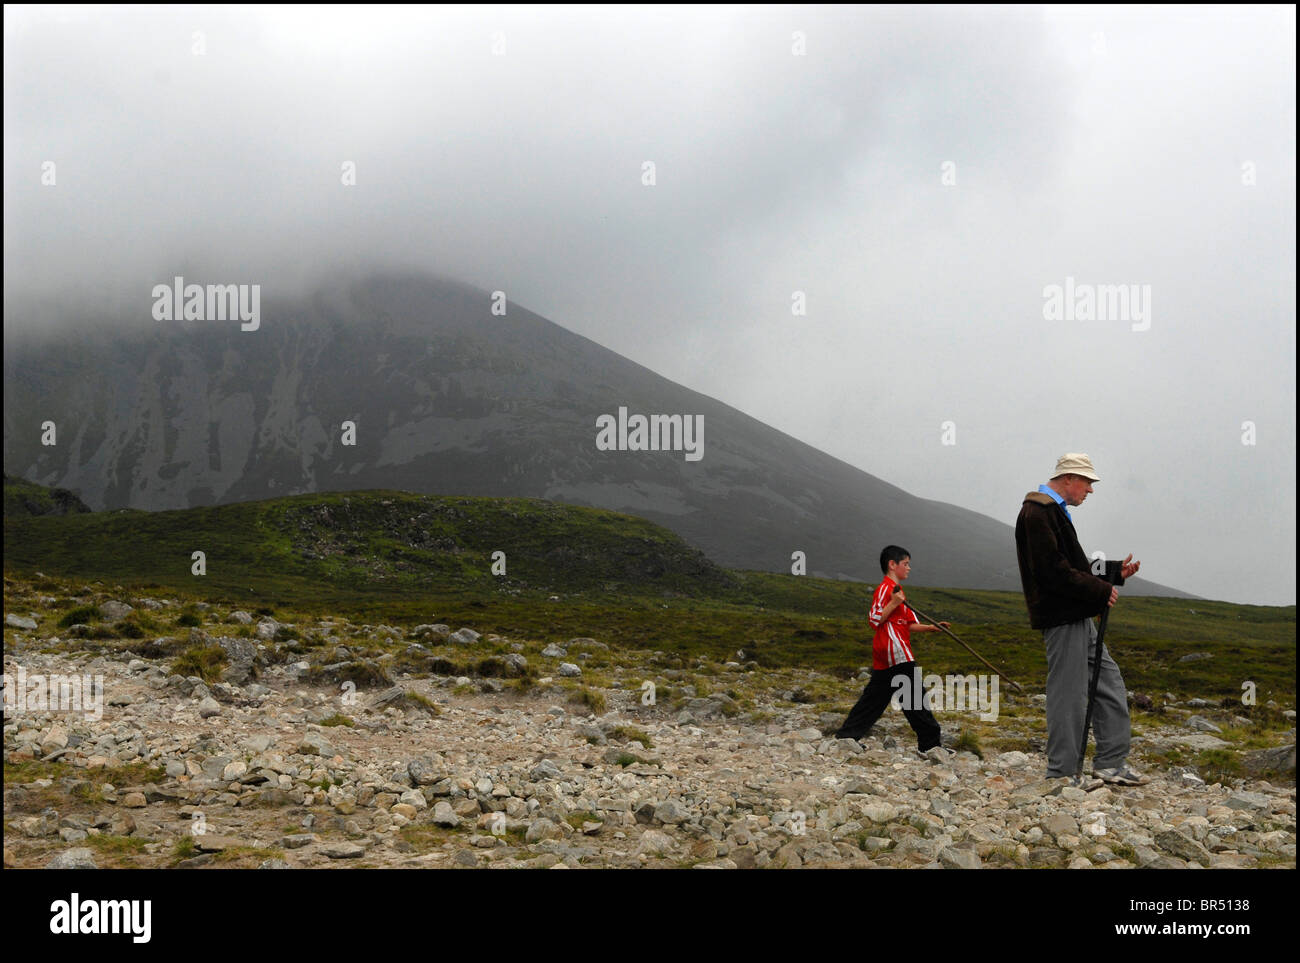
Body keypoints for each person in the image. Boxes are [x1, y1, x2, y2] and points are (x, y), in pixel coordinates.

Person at [1015, 453, 1146, 785]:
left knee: (1109, 682)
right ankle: (1061, 773)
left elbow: (1074, 566)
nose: (1090, 490)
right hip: (1062, 617)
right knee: (1069, 694)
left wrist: (1114, 571)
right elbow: (1052, 571)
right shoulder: (1037, 512)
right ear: (1069, 479)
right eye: (1087, 482)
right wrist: (1099, 591)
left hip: (1077, 615)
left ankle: (1110, 763)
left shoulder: (1053, 512)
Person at [834, 545, 953, 757]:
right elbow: (874, 619)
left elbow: (907, 623)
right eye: (905, 564)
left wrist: (932, 627)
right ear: (892, 564)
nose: (909, 568)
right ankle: (930, 745)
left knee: (875, 697)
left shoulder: (897, 591)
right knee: (914, 696)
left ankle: (847, 736)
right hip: (895, 649)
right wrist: (894, 602)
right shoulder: (886, 589)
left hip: (889, 651)